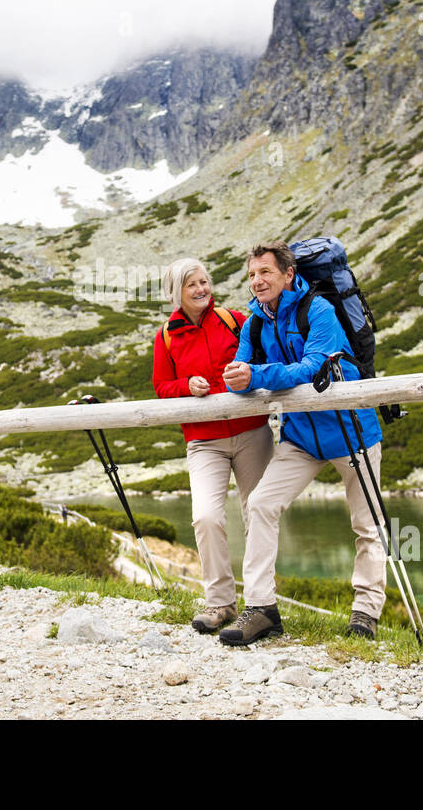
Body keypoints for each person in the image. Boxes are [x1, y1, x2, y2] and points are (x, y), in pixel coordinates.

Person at [219, 241, 385, 646]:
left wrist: (257, 376)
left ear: (288, 274)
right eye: (252, 274)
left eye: (266, 272)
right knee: (261, 504)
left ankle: (365, 611)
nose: (257, 281)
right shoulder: (254, 323)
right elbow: (244, 368)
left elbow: (313, 367)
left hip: (352, 432)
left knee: (367, 525)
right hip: (301, 438)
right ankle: (261, 608)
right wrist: (236, 377)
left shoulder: (320, 310)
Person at [152, 257, 273, 634]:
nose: (202, 289)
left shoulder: (234, 320)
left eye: (204, 281)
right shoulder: (166, 336)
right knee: (205, 516)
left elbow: (266, 363)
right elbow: (161, 387)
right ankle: (220, 603)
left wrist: (248, 376)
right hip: (204, 441)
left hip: (253, 432)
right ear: (176, 292)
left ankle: (260, 603)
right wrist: (186, 385)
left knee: (259, 514)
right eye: (192, 284)